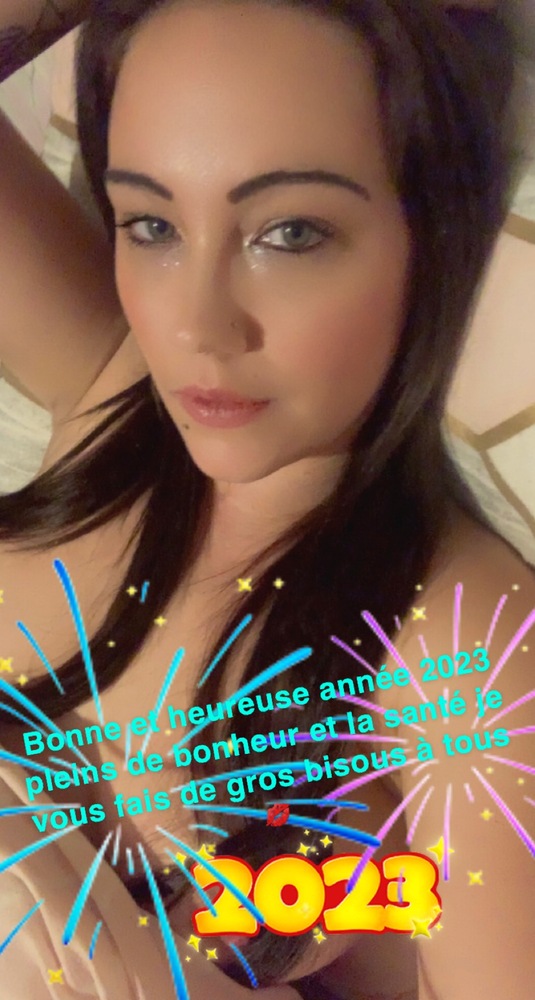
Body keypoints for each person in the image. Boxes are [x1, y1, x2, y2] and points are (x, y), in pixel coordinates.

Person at [0, 1, 533, 998]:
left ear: (432, 229)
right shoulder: (117, 387)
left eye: (290, 232)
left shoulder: (459, 645)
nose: (196, 325)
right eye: (152, 224)